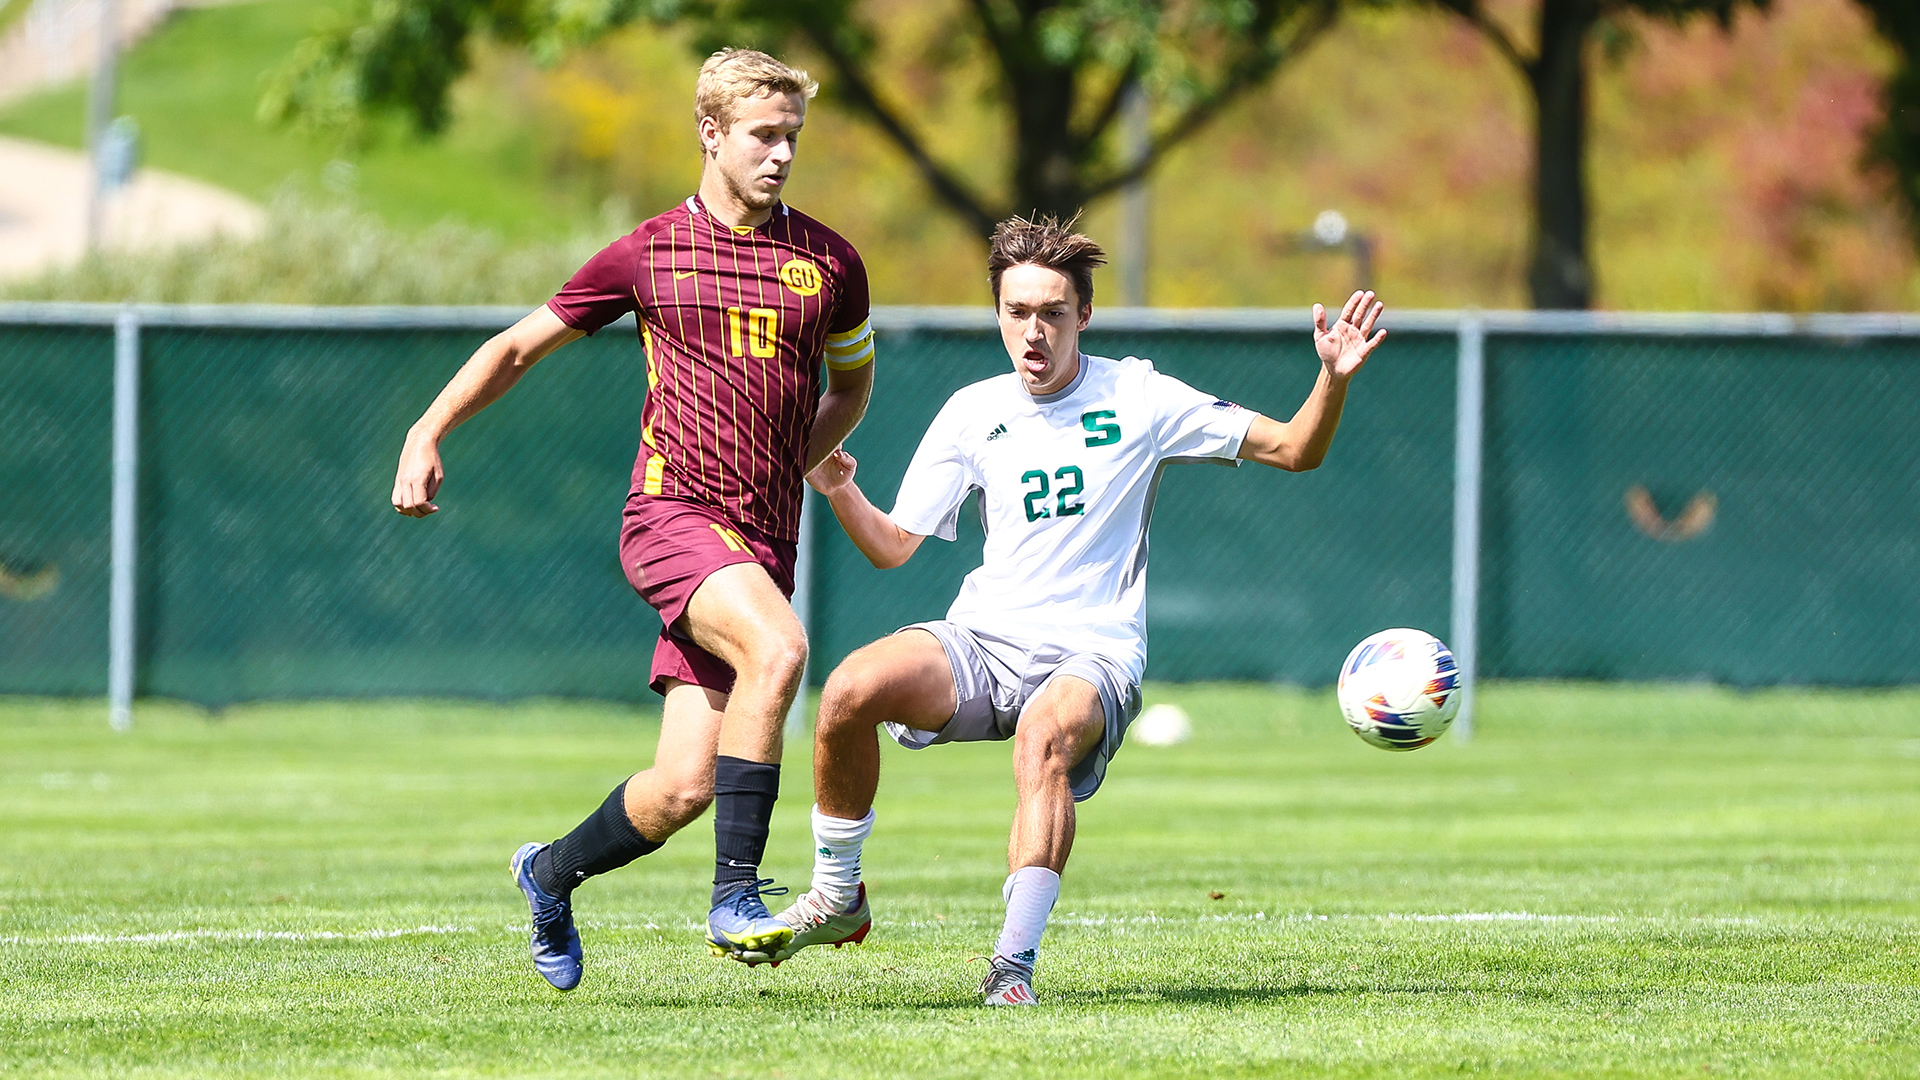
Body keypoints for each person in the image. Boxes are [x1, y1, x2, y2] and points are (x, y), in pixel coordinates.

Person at [770, 216, 1383, 1005]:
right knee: (850, 688)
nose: (1034, 330)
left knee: (1045, 734)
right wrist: (837, 485)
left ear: (1083, 316)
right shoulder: (971, 410)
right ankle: (837, 895)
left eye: (1053, 313)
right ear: (997, 314)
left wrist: (1331, 378)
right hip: (985, 642)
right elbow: (892, 546)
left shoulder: (1140, 395)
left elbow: (1299, 448)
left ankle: (1010, 970)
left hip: (1092, 652)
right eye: (1017, 312)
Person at [388, 48, 876, 990]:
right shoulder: (647, 252)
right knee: (780, 652)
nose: (780, 155)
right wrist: (427, 427)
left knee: (683, 787)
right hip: (671, 517)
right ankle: (737, 897)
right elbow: (520, 346)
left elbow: (851, 390)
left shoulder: (831, 264)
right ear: (711, 133)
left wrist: (804, 455)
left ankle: (547, 873)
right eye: (763, 136)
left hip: (762, 539)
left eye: (793, 138)